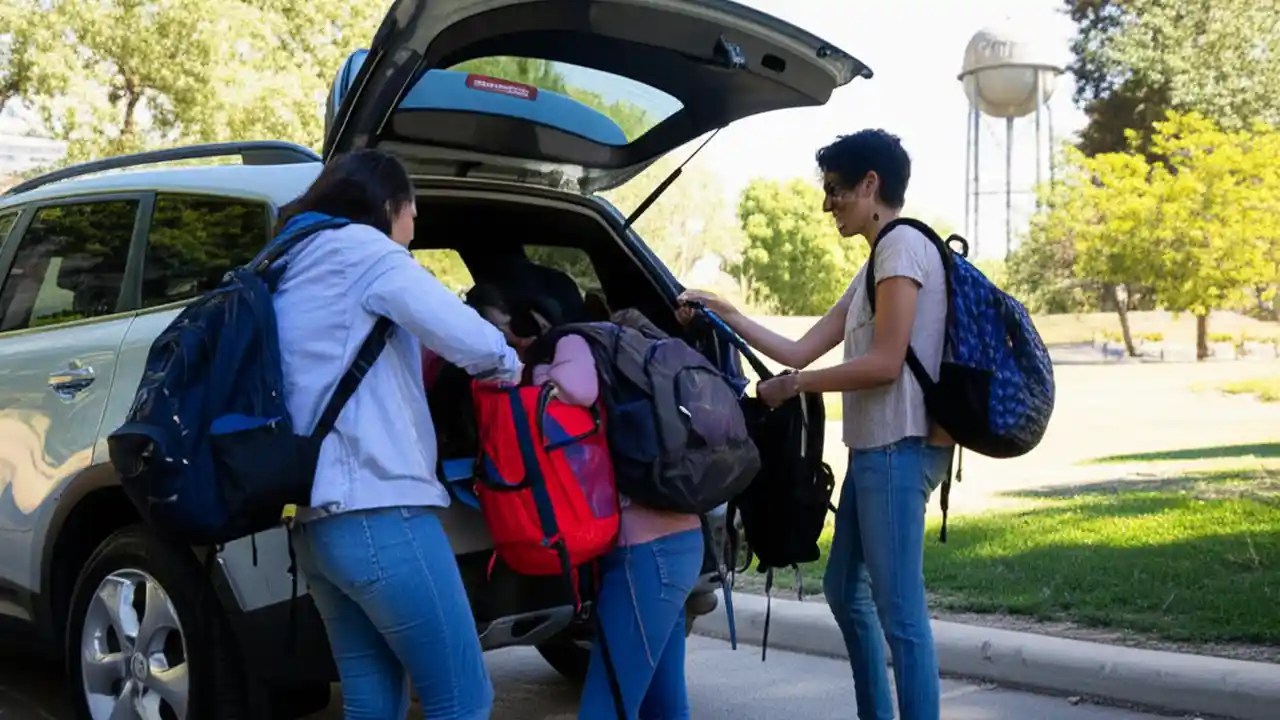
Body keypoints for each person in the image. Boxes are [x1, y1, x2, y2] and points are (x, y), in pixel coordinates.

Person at [678, 129, 952, 720]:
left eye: (835, 190)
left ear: (870, 184)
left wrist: (794, 388)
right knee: (843, 591)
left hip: (898, 451)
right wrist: (726, 312)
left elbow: (882, 364)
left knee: (900, 614)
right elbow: (800, 348)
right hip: (875, 452)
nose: (828, 204)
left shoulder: (901, 249)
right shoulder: (878, 261)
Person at [272, 149, 522, 720]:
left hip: (316, 528)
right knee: (462, 696)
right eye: (414, 214)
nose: (414, 230)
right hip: (380, 516)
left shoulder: (291, 260)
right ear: (391, 207)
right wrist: (512, 367)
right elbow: (474, 339)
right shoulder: (366, 251)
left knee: (373, 698)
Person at [467, 286, 704, 720]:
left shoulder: (572, 344)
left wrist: (525, 374)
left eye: (500, 328)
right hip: (675, 544)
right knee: (663, 706)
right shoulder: (616, 347)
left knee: (605, 709)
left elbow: (575, 387)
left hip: (647, 555)